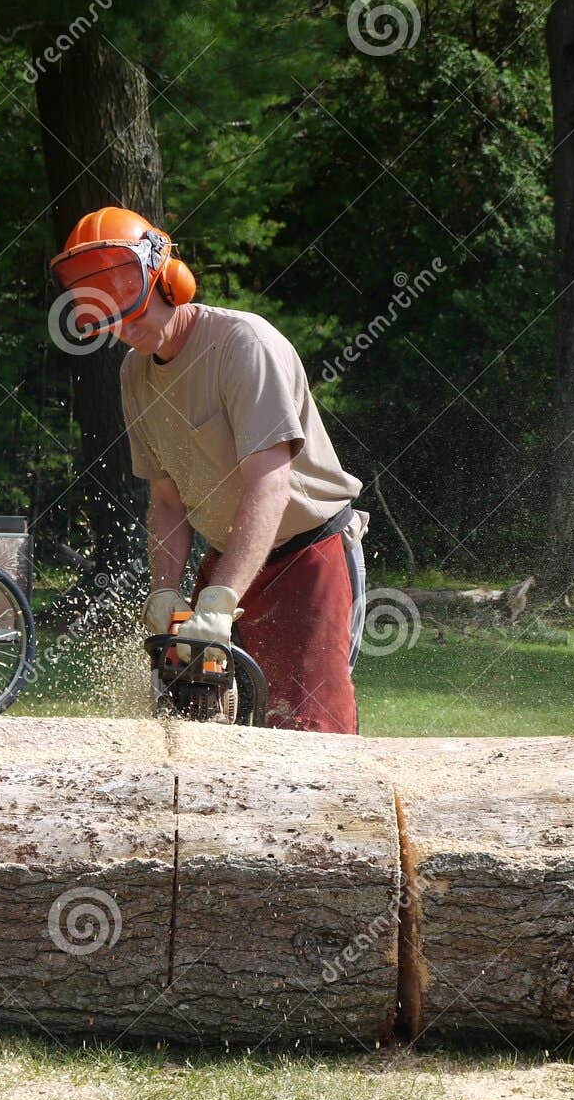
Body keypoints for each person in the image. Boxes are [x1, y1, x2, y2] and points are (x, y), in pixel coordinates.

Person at [49, 206, 368, 733]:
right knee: (197, 722)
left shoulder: (244, 345)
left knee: (310, 733)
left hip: (308, 559)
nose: (125, 326)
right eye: (108, 311)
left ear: (168, 279)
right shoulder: (134, 375)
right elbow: (168, 500)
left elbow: (270, 484)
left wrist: (220, 601)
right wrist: (164, 593)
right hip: (229, 562)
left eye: (133, 301)